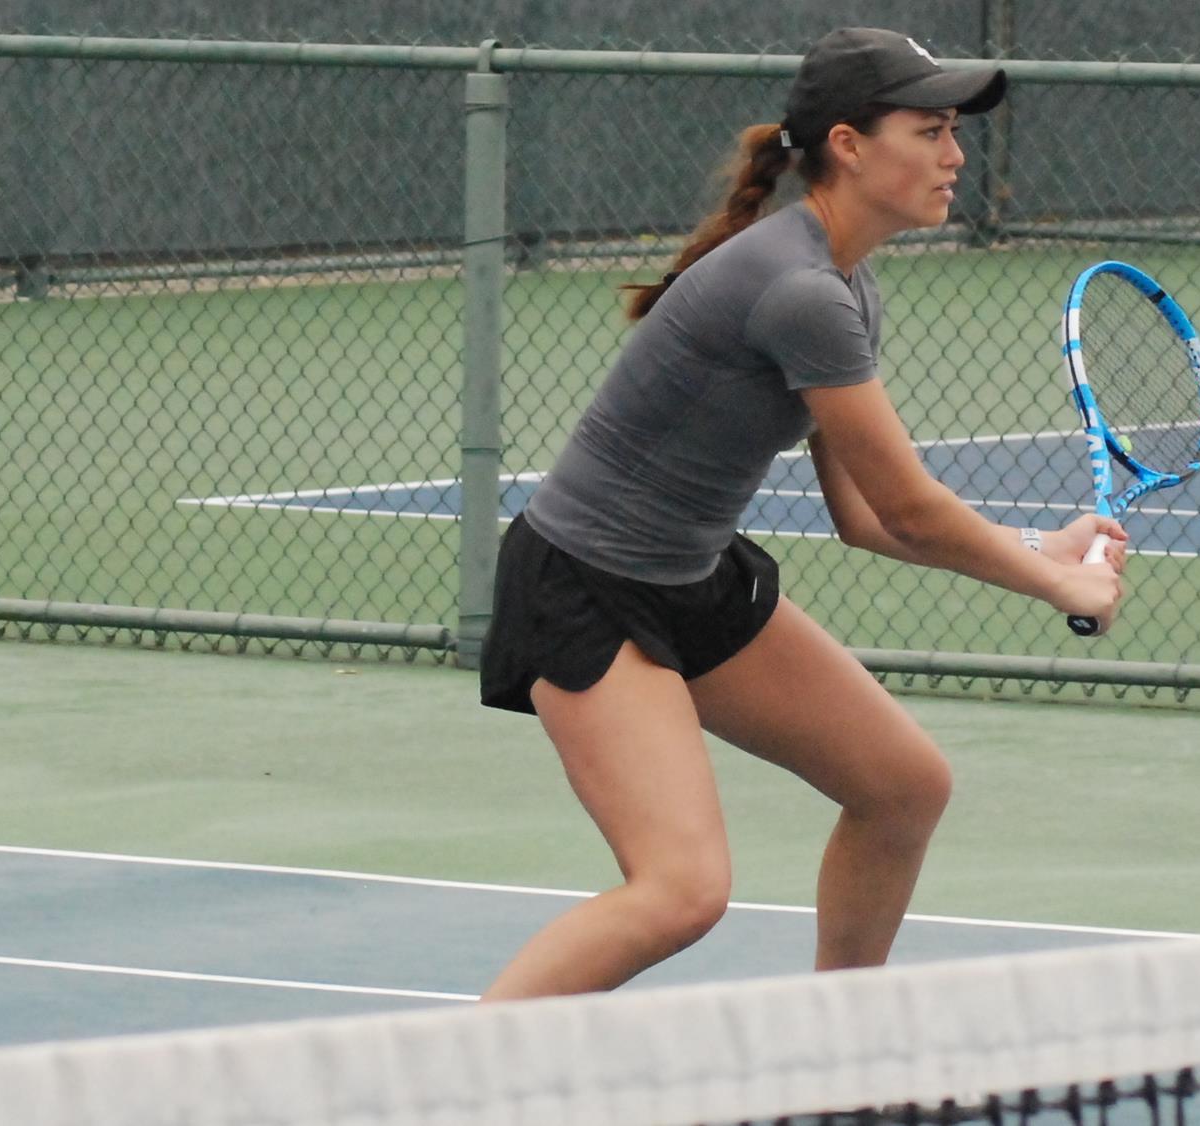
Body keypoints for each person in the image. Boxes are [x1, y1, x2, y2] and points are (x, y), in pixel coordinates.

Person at [476, 27, 1128, 1001]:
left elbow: (862, 514)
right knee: (680, 892)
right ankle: (440, 1083)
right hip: (585, 587)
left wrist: (1042, 543)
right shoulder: (799, 291)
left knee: (902, 787)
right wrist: (1054, 580)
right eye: (931, 130)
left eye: (954, 131)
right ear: (849, 144)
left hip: (690, 578)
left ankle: (831, 1051)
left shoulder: (847, 287)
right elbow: (907, 510)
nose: (954, 156)